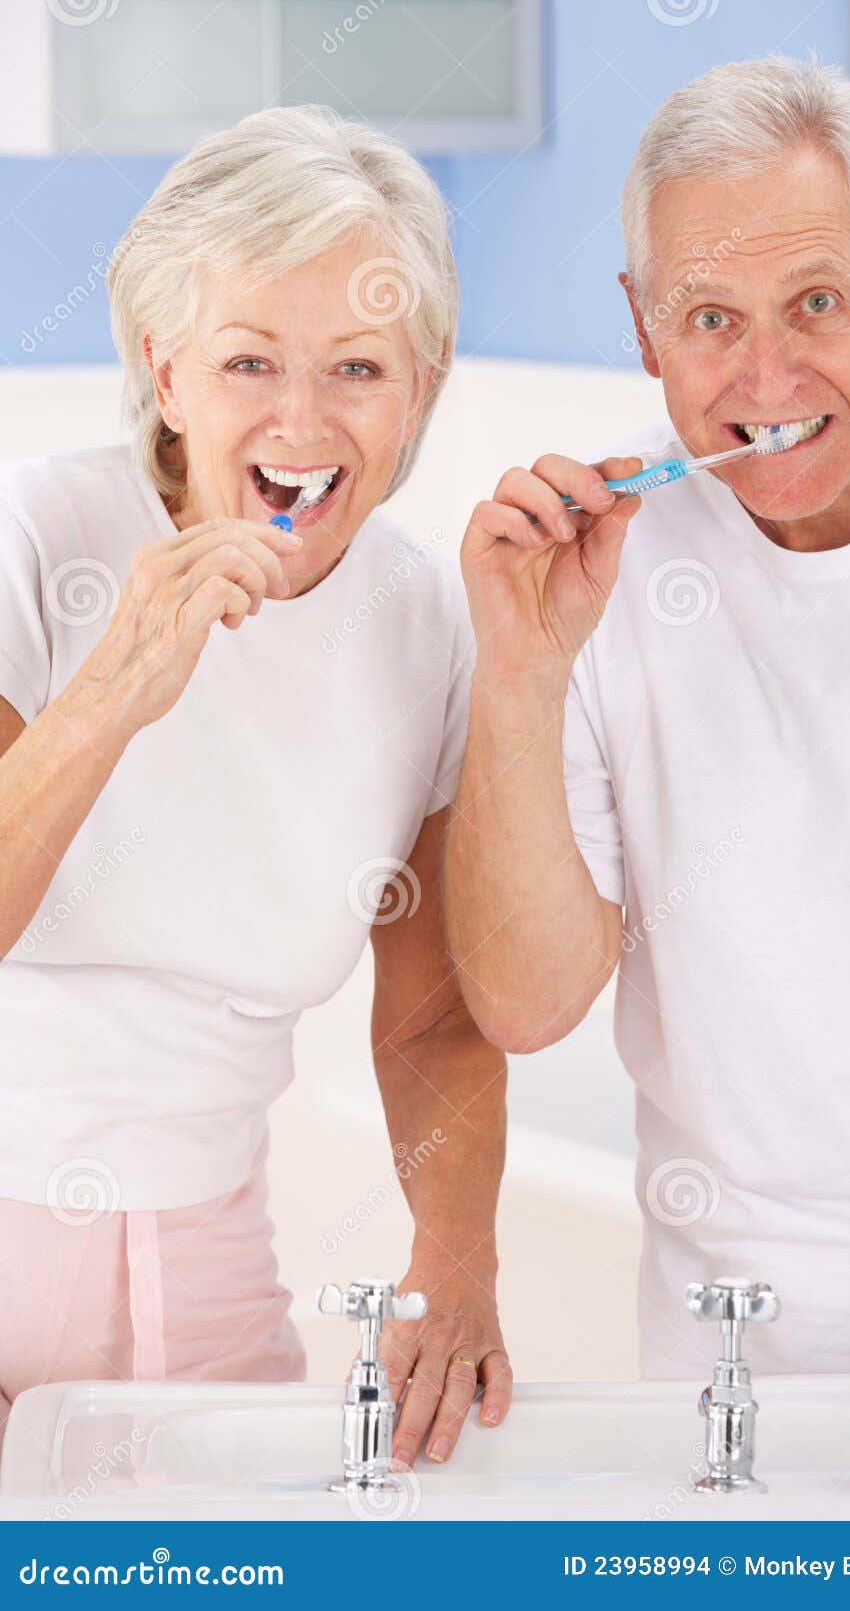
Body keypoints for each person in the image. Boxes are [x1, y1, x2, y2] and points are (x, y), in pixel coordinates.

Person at [446, 57, 850, 1443]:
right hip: (724, 1365)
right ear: (643, 328)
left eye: (817, 305)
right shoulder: (595, 562)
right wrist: (524, 675)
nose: (764, 375)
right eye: (710, 319)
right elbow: (526, 1005)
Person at [0, 105, 509, 1466]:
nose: (301, 419)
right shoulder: (36, 538)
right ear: (165, 370)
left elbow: (433, 1018)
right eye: (247, 361)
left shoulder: (425, 628)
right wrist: (114, 687)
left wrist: (454, 1260)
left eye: (356, 365)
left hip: (212, 1269)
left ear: (424, 378)